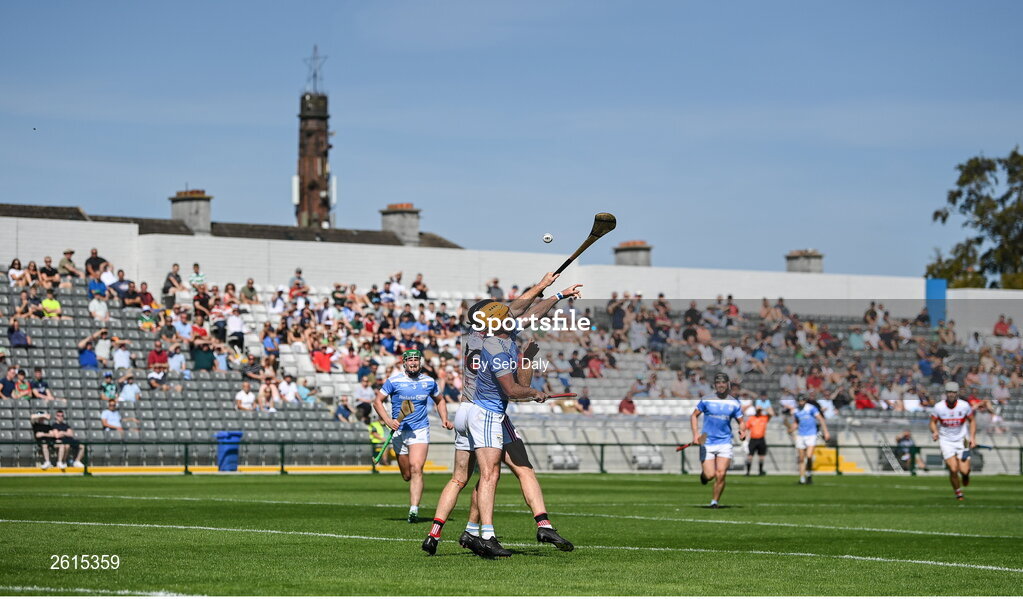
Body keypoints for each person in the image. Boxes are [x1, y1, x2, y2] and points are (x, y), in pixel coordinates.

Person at [422, 275, 578, 559]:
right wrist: (532, 386)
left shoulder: (481, 334)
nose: (506, 311)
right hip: (486, 411)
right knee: (490, 474)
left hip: (467, 411)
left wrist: (552, 291)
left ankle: (443, 531)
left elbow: (523, 312)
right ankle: (486, 535)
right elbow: (521, 313)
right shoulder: (495, 342)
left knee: (473, 476)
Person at [373, 349, 452, 524]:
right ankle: (412, 498)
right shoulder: (394, 381)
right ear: (404, 362)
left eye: (416, 360)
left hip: (420, 429)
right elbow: (377, 401)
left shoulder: (429, 382)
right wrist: (388, 420)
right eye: (410, 360)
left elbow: (440, 400)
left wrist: (444, 419)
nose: (414, 363)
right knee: (407, 475)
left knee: (417, 468)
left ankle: (414, 509)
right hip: (399, 430)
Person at [691, 372, 747, 508]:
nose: (721, 385)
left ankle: (714, 502)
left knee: (721, 474)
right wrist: (695, 434)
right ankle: (704, 476)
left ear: (727, 384)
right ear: (715, 385)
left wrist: (742, 430)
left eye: (723, 383)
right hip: (707, 442)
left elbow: (741, 421)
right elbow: (694, 416)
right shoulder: (706, 400)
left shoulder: (734, 403)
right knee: (710, 475)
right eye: (718, 383)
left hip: (725, 442)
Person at [930, 381, 977, 501]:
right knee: (953, 469)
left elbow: (972, 421)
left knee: (964, 470)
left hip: (963, 441)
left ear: (957, 394)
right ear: (946, 393)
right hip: (946, 441)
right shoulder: (939, 407)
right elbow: (932, 422)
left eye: (954, 392)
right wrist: (935, 432)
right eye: (949, 392)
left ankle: (966, 476)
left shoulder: (964, 406)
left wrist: (972, 437)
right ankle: (958, 493)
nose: (951, 394)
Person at [789, 394, 830, 485]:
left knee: (809, 456)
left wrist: (826, 432)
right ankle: (802, 478)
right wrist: (791, 429)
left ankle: (809, 474)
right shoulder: (795, 410)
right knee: (801, 458)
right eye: (799, 401)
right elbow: (796, 423)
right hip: (801, 435)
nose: (801, 403)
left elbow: (821, 419)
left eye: (802, 401)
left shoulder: (811, 408)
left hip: (811, 435)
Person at [744, 406, 770, 476]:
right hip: (753, 439)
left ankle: (760, 471)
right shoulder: (751, 418)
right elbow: (747, 428)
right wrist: (745, 437)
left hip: (761, 439)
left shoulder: (764, 418)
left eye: (760, 410)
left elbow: (771, 414)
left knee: (761, 456)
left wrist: (764, 409)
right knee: (750, 456)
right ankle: (748, 472)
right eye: (758, 410)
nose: (759, 411)